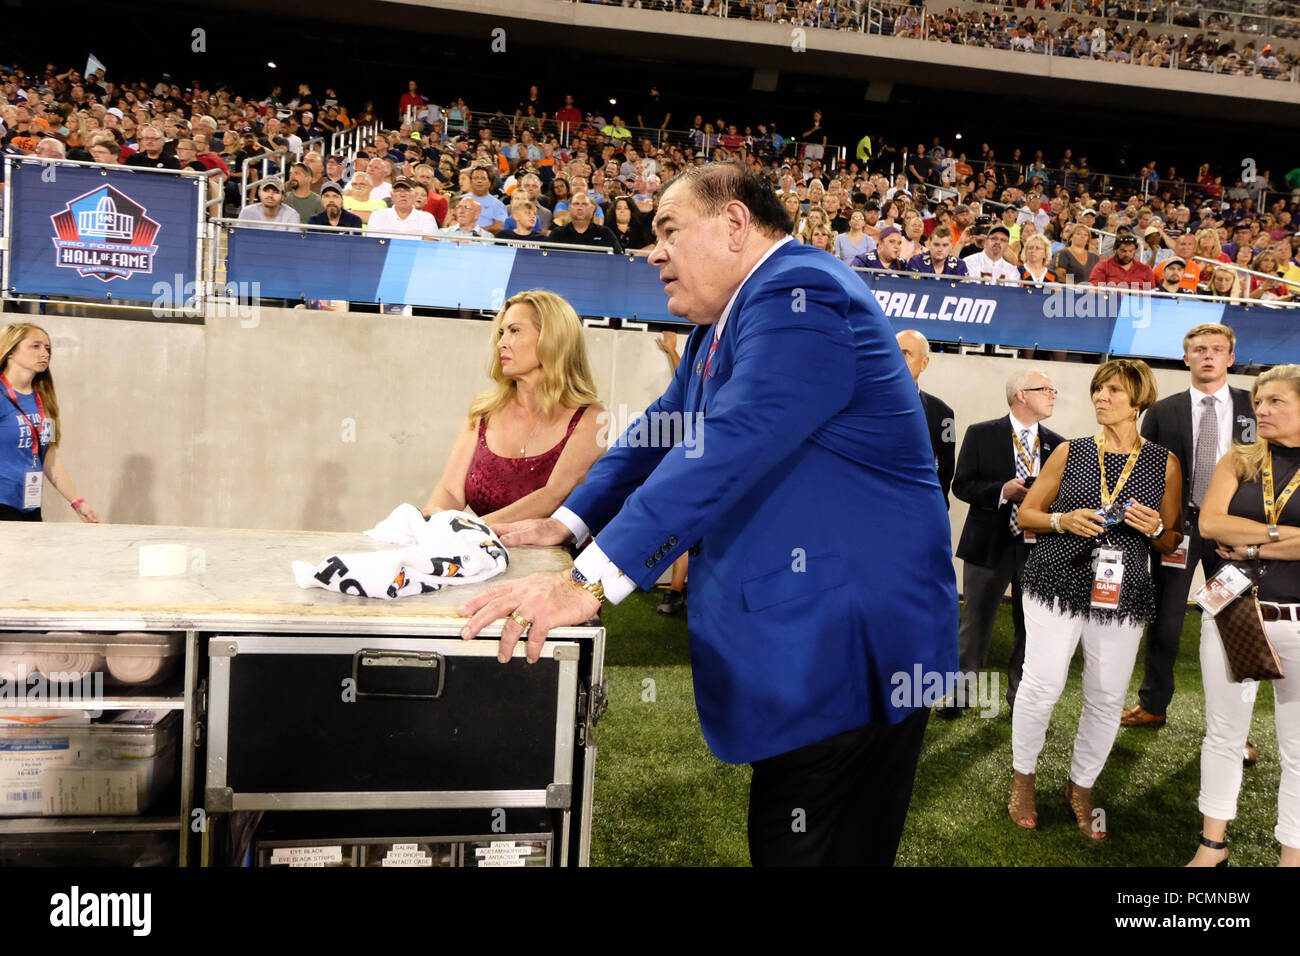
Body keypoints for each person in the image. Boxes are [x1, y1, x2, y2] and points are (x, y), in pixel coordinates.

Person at [458, 163, 957, 867]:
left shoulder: (801, 292)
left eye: (667, 230)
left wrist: (587, 583)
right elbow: (659, 437)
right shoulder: (718, 330)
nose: (652, 252)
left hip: (849, 650)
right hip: (815, 644)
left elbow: (731, 442)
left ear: (733, 224)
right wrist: (568, 525)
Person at [1010, 360, 1182, 838]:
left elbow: (1172, 542)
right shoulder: (1070, 451)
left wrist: (1157, 530)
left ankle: (1081, 787)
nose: (1100, 398)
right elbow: (1028, 513)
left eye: (1112, 391)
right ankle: (1024, 777)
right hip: (1055, 581)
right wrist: (1062, 521)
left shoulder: (1164, 462)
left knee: (1106, 697)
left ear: (1139, 400)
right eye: (1097, 389)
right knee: (1041, 684)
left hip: (1122, 590)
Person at [1122, 325, 1256, 744]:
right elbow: (1147, 471)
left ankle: (1239, 728)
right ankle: (1153, 703)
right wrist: (1156, 524)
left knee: (1236, 622)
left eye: (1217, 350)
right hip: (1176, 529)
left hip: (1230, 531)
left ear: (1231, 358)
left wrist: (1246, 529)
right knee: (1166, 618)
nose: (1209, 356)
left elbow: (1261, 473)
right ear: (1186, 358)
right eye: (1199, 350)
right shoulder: (1163, 411)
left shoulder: (1253, 408)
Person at [1189, 364, 1300, 868]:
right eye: (1259, 400)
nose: (1261, 409)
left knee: (1297, 749)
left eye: (1276, 401)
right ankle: (1213, 846)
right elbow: (1211, 522)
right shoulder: (1239, 458)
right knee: (1224, 733)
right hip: (1232, 609)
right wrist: (1279, 538)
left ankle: (1291, 856)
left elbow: (1233, 531)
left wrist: (1250, 539)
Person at [422, 291, 605, 527]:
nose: (501, 343)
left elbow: (553, 497)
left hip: (558, 560)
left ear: (552, 339)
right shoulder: (484, 413)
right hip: (484, 554)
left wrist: (470, 530)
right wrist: (433, 522)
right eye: (501, 332)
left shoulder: (591, 417)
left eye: (514, 331)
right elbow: (450, 491)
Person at [947, 371, 1065, 717]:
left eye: (1053, 389)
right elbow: (962, 485)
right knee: (975, 623)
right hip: (988, 544)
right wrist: (1003, 491)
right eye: (1046, 389)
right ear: (1022, 395)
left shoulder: (1059, 444)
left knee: (1031, 627)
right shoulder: (982, 433)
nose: (1053, 395)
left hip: (1037, 547)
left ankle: (1020, 700)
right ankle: (961, 694)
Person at [0, 323, 97, 523]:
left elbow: (48, 456)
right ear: (10, 351)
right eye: (35, 346)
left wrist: (77, 502)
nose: (44, 353)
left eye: (47, 348)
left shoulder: (43, 398)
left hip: (29, 505)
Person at [897, 329, 955, 508]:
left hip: (920, 509)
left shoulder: (944, 414)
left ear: (924, 363)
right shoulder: (864, 404)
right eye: (892, 352)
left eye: (906, 354)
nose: (896, 359)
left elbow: (945, 470)